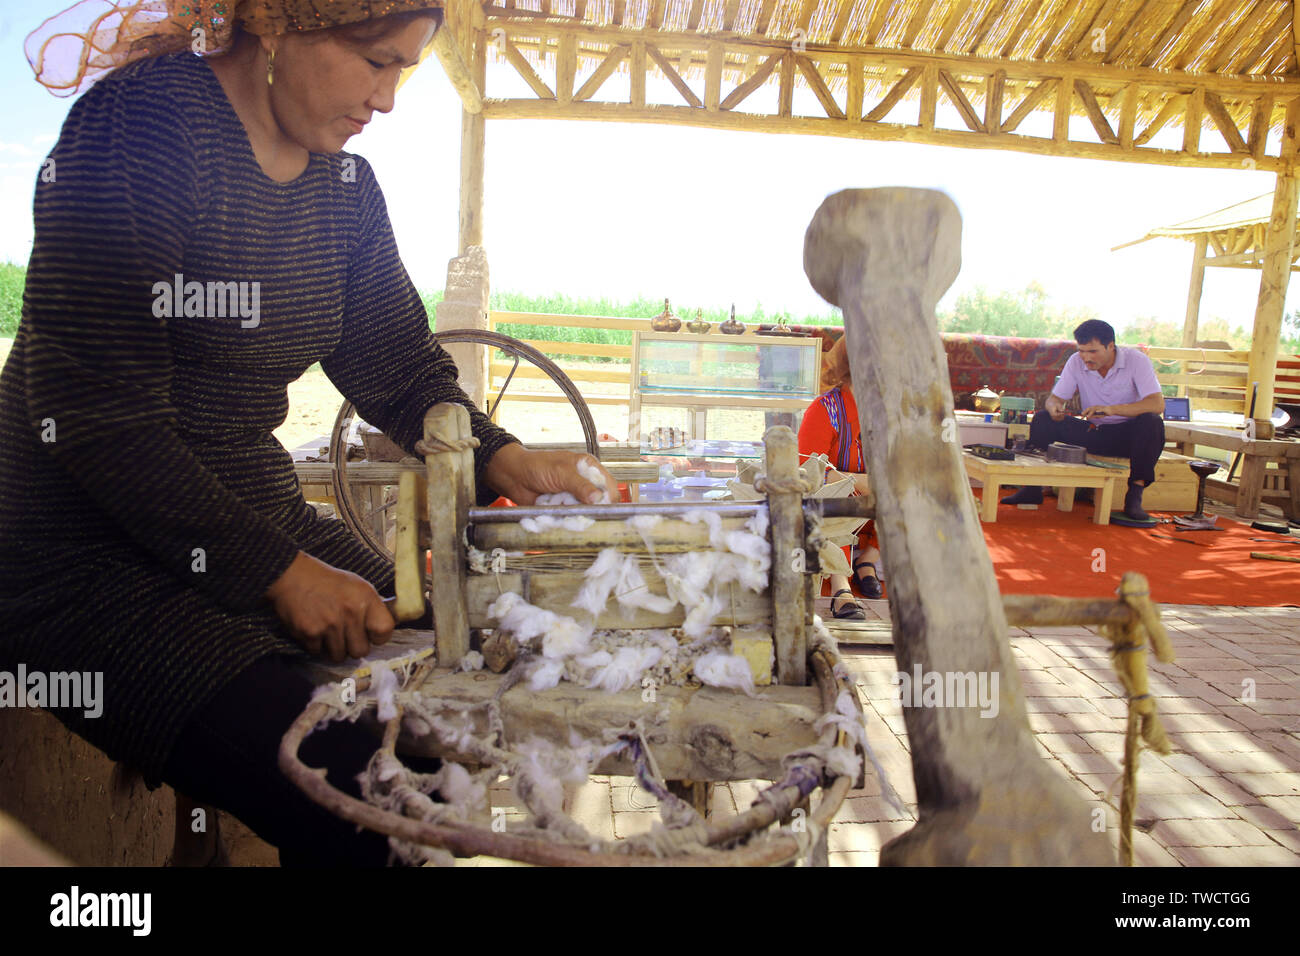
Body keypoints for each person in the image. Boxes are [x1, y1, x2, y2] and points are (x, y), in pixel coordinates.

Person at [0, 0, 617, 865]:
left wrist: (505, 458)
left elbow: (400, 368)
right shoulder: (141, 131)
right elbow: (97, 420)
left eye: (403, 68)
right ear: (280, 24)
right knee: (359, 794)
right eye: (375, 60)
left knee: (456, 677)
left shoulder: (345, 192)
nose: (390, 98)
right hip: (87, 558)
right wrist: (278, 575)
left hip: (249, 515)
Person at [1001, 319, 1166, 521]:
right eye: (1082, 351)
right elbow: (1054, 399)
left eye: (1093, 352)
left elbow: (1157, 405)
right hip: (1092, 432)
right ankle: (1033, 488)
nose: (1086, 358)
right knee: (1043, 418)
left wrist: (1112, 410)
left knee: (1152, 423)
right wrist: (1054, 409)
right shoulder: (1076, 362)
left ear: (1111, 346)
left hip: (1128, 437)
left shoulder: (1137, 361)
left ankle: (1134, 498)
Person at [797, 337, 883, 620]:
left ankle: (867, 560)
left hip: (878, 503)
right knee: (835, 491)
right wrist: (856, 481)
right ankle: (840, 584)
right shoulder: (825, 409)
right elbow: (807, 468)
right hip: (835, 503)